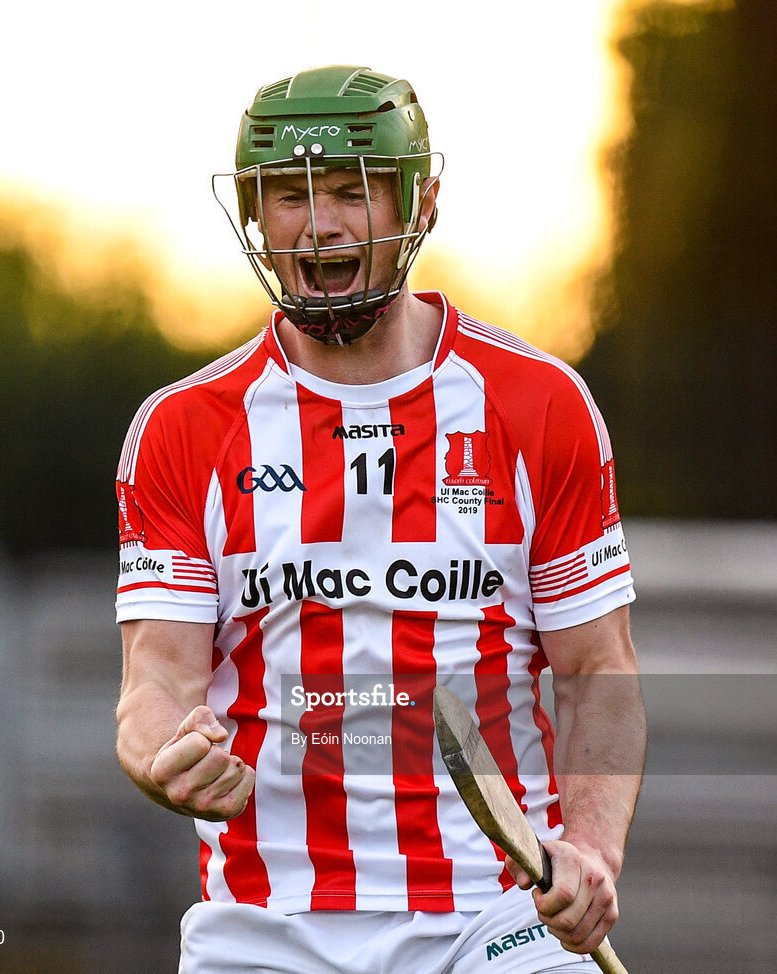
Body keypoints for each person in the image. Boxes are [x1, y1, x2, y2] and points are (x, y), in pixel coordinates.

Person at [114, 64, 646, 973]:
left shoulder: (539, 405)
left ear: (421, 199)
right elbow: (154, 681)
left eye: (349, 191)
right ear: (254, 215)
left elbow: (597, 671)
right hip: (264, 922)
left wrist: (590, 851)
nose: (318, 223)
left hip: (498, 916)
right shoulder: (183, 429)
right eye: (288, 196)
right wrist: (170, 750)